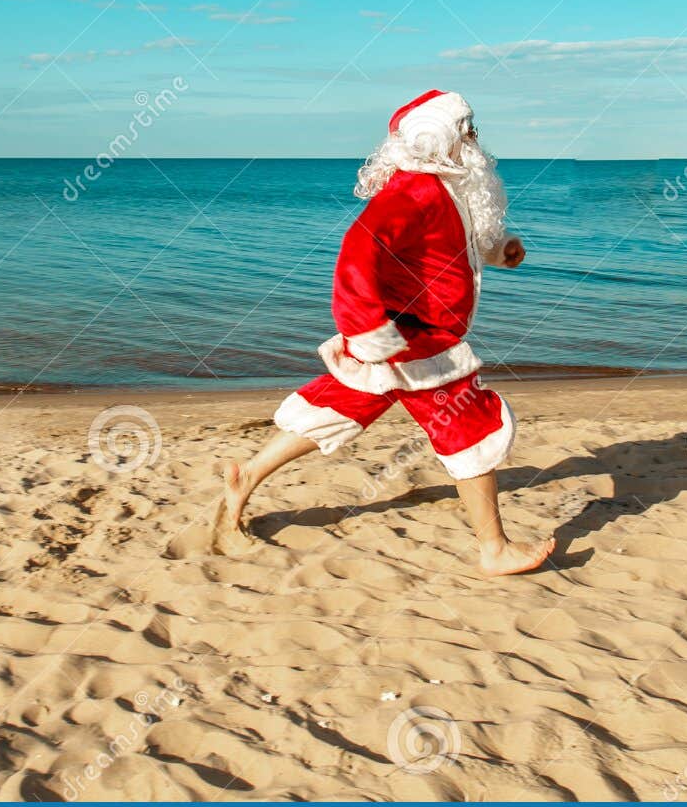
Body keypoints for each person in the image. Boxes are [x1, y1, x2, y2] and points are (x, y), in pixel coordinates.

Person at [219, 90, 555, 576]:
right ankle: (494, 548)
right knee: (467, 427)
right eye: (468, 130)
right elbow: (358, 249)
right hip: (416, 343)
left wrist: (499, 250)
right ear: (437, 136)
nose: (475, 139)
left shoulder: (442, 187)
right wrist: (365, 328)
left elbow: (448, 244)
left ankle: (246, 475)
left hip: (400, 337)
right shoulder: (416, 190)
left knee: (339, 405)